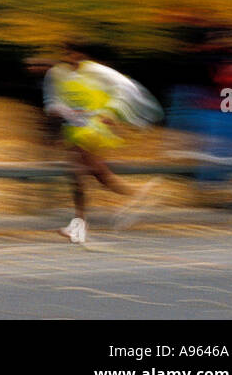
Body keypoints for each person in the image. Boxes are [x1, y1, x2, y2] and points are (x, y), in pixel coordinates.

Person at [43, 42, 163, 243]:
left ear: (82, 54)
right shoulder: (61, 73)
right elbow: (56, 100)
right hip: (74, 129)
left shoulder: (98, 72)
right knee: (93, 175)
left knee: (79, 172)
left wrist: (111, 113)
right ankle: (140, 195)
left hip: (94, 128)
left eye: (72, 52)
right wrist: (58, 110)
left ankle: (80, 223)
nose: (69, 56)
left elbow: (124, 89)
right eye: (66, 53)